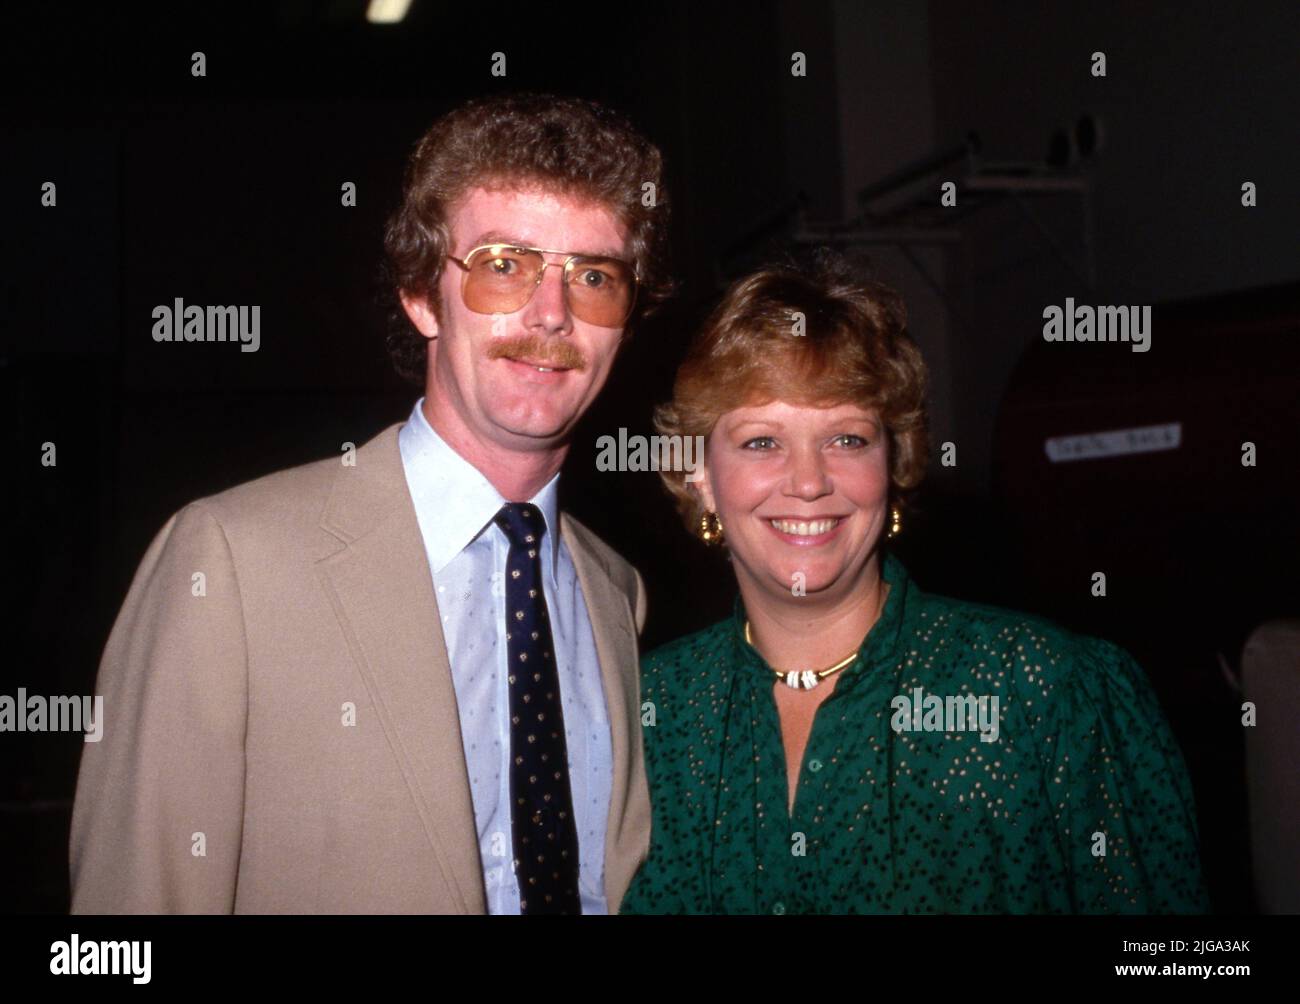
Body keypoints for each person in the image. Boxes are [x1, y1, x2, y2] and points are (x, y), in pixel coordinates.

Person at [70, 93, 673, 914]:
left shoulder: (614, 592)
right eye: (504, 265)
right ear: (422, 296)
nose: (552, 313)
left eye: (593, 277)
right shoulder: (231, 563)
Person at [620, 253, 1209, 914]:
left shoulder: (1046, 690)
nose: (809, 482)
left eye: (847, 439)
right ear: (699, 475)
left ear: (894, 461)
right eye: (762, 442)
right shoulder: (637, 718)